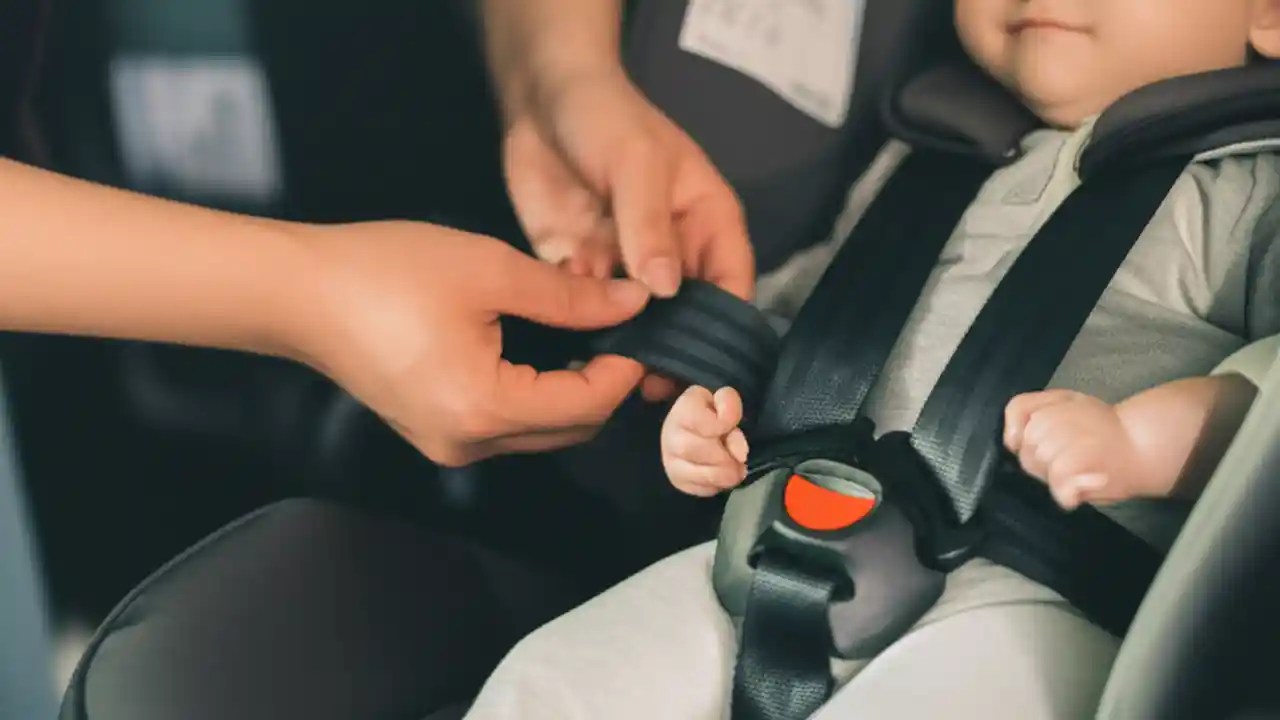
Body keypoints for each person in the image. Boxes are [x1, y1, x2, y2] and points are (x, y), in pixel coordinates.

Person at [464, 0, 1280, 717]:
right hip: (781, 546)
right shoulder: (927, 156)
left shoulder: (1251, 193)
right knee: (549, 684)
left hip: (1043, 599)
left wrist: (1148, 445)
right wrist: (713, 411)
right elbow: (810, 320)